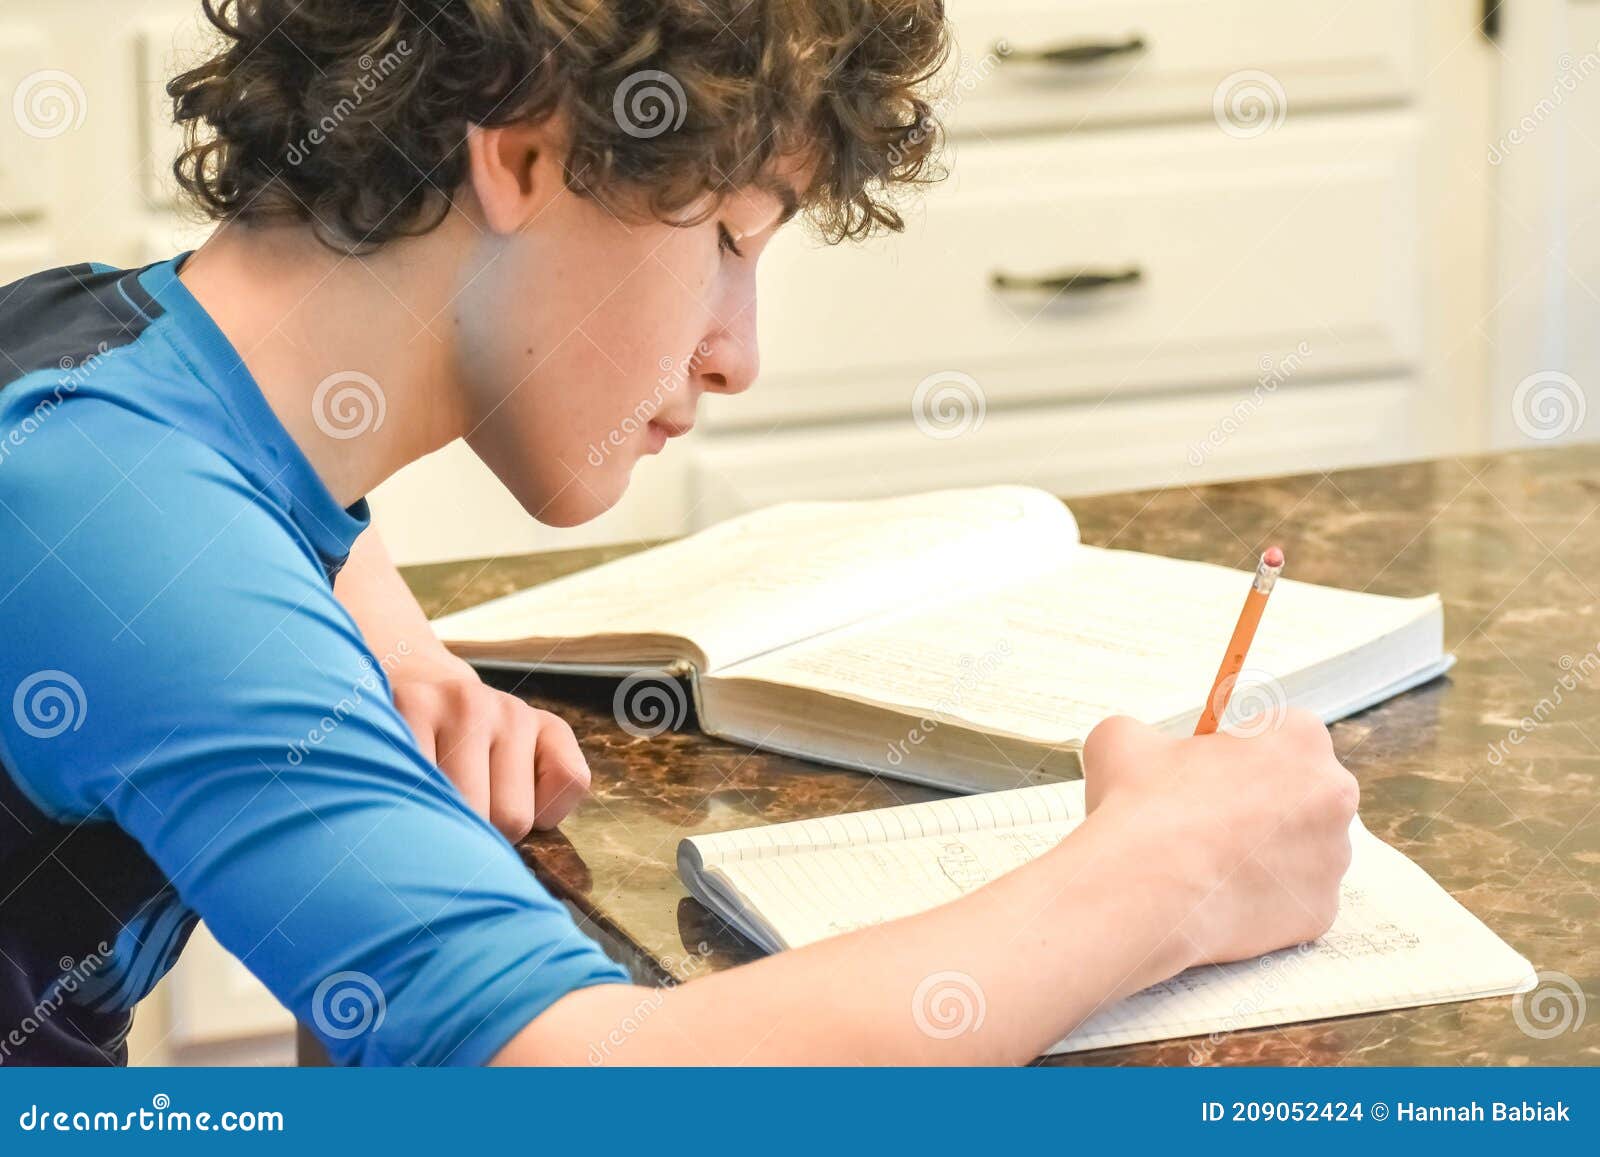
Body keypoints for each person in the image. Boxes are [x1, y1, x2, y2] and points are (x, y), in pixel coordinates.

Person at [0, 0, 1357, 1066]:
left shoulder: (103, 365)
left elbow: (251, 503)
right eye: (729, 240)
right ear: (527, 150)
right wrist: (1164, 874)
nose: (738, 354)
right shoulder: (117, 522)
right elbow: (572, 1085)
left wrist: (390, 643)